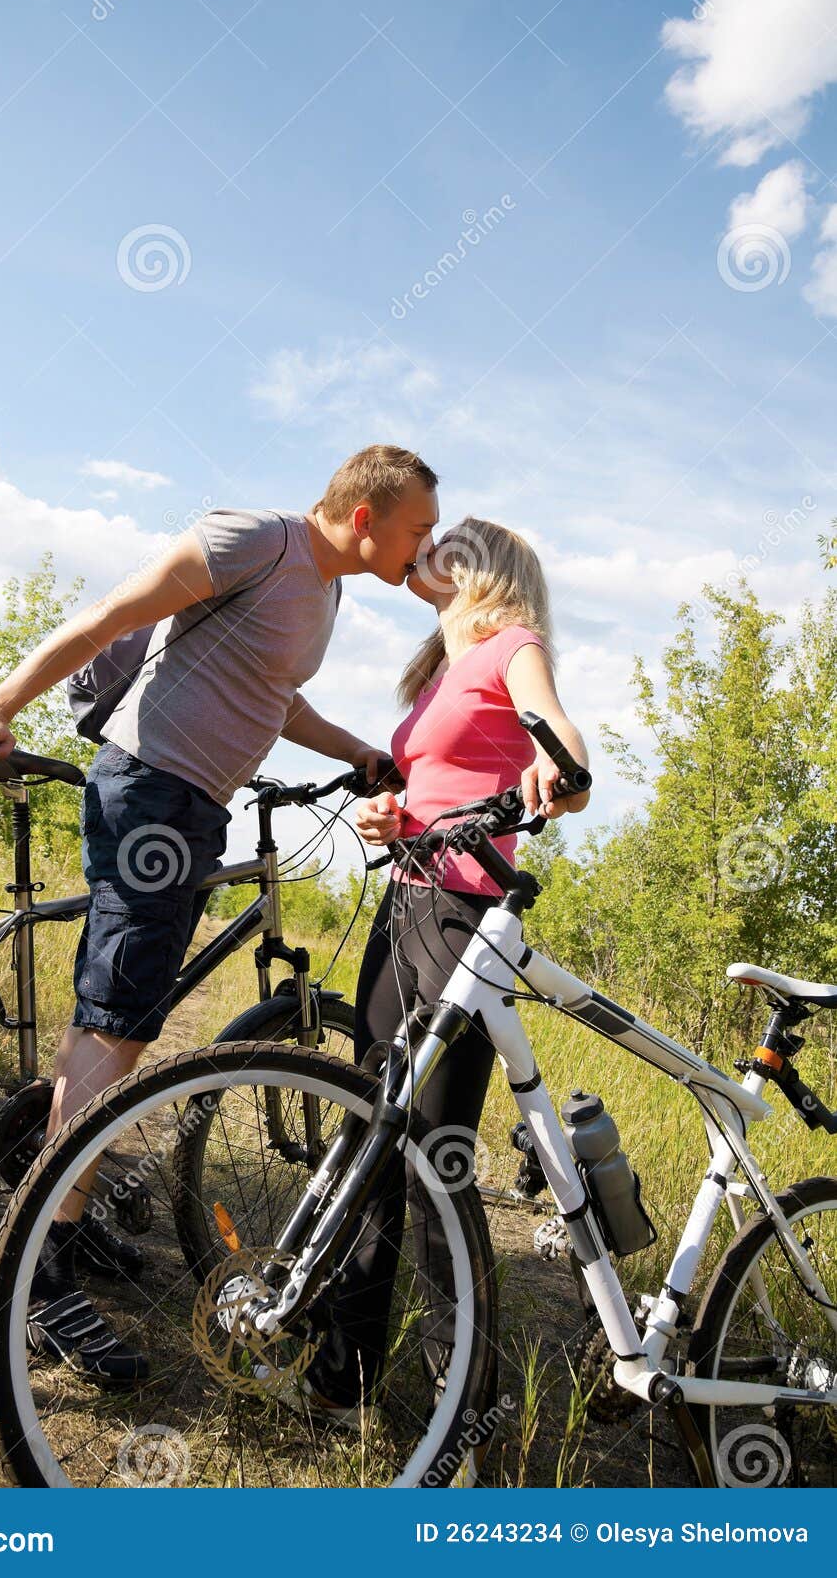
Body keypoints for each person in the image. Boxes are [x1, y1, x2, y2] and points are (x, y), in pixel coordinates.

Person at [0, 445, 439, 1379]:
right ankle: (38, 1277)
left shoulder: (325, 594)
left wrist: (364, 750)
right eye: (415, 529)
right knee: (118, 1025)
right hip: (151, 787)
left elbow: (274, 698)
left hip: (191, 801)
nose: (424, 548)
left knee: (115, 1013)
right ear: (366, 515)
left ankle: (63, 1202)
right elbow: (109, 616)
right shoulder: (255, 538)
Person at [298, 516, 590, 1423]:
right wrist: (390, 817)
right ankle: (341, 1382)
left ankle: (454, 1403)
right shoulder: (435, 668)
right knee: (370, 1136)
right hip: (405, 899)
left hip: (465, 919)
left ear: (484, 565)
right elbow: (433, 784)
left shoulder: (514, 643)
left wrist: (562, 764)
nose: (429, 545)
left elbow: (557, 735)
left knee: (436, 1159)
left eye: (449, 538)